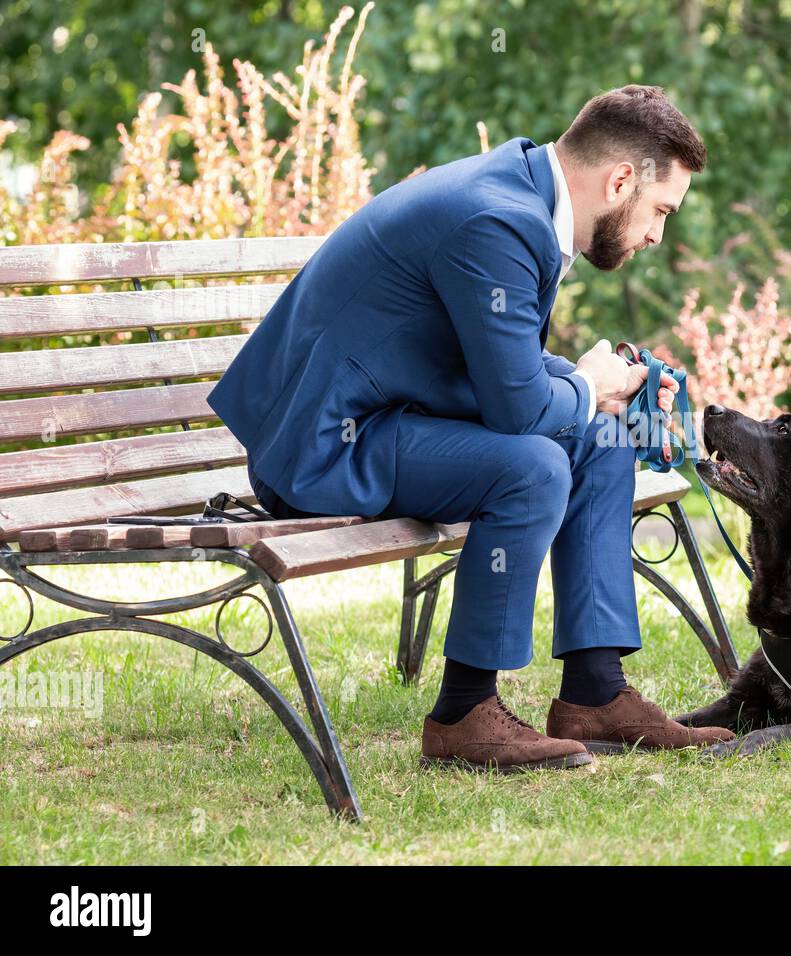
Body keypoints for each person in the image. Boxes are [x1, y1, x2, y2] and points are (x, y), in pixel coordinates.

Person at [208, 85, 735, 773]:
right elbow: (517, 410)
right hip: (322, 449)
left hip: (389, 420)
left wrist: (598, 391)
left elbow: (499, 365)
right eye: (661, 211)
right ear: (619, 180)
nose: (657, 234)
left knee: (601, 439)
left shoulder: (520, 194)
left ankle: (594, 692)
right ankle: (463, 713)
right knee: (534, 466)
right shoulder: (497, 220)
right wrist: (584, 386)